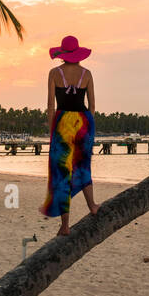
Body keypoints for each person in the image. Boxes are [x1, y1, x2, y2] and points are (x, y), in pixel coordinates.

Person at [40, 34, 99, 236]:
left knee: (62, 171)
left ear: (63, 54)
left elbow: (50, 105)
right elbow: (92, 106)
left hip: (62, 121)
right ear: (78, 54)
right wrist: (88, 128)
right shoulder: (87, 74)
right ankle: (92, 205)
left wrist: (52, 129)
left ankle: (65, 225)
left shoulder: (54, 73)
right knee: (82, 166)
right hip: (83, 121)